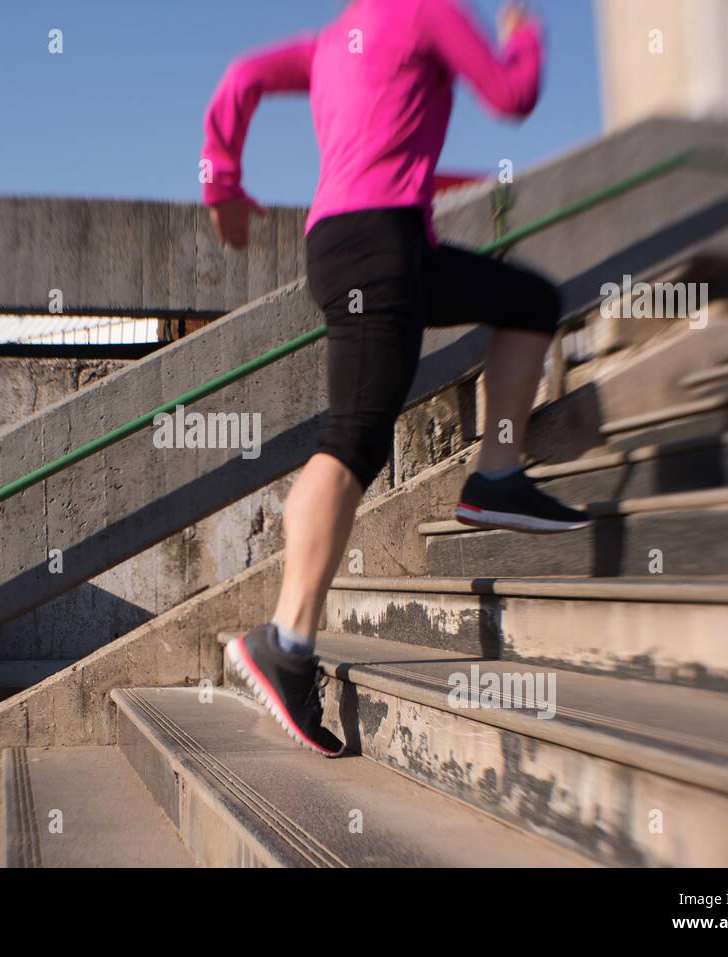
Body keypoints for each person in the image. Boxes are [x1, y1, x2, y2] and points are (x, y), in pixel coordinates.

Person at [203, 0, 593, 756]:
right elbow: (511, 96)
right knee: (353, 437)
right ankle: (284, 640)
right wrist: (527, 37)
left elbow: (242, 74)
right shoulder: (426, 11)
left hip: (368, 241)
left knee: (529, 300)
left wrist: (223, 179)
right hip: (378, 244)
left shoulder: (331, 40)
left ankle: (497, 474)